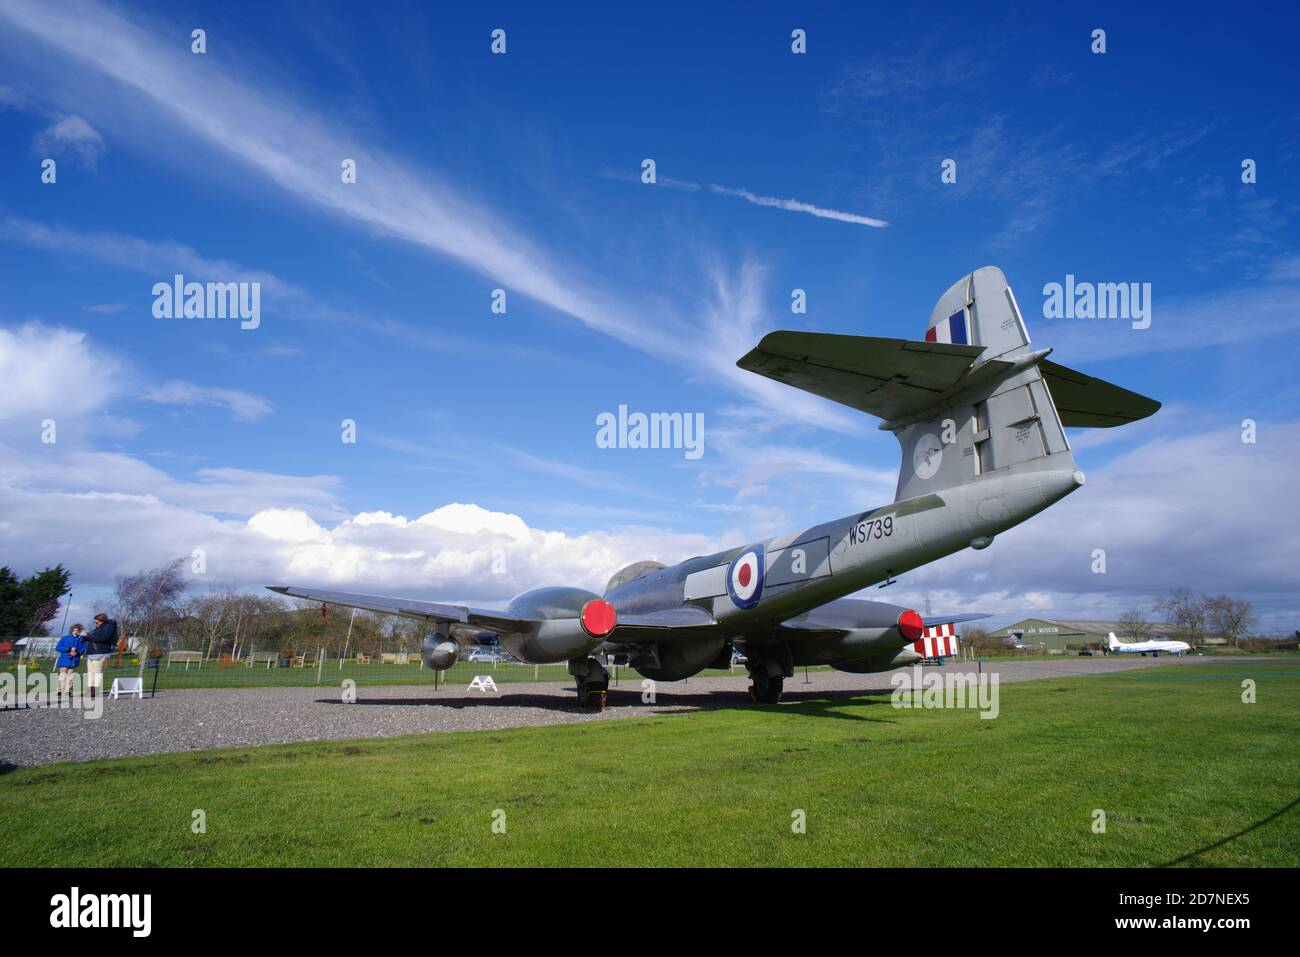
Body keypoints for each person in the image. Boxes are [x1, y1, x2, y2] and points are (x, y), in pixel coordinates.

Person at [83, 613, 119, 700]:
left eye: (97, 622)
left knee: (96, 672)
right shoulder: (99, 628)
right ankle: (90, 689)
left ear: (102, 621)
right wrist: (86, 637)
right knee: (90, 672)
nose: (96, 624)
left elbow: (103, 638)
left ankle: (95, 690)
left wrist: (88, 636)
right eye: (95, 622)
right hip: (92, 652)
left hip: (100, 652)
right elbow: (94, 637)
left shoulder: (108, 627)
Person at [54, 624, 86, 701]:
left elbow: (83, 649)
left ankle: (68, 691)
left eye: (77, 631)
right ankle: (59, 690)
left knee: (70, 676)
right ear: (71, 630)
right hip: (64, 659)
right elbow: (58, 648)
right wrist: (68, 649)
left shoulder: (82, 640)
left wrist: (77, 653)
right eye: (74, 630)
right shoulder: (65, 638)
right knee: (62, 675)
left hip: (74, 660)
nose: (75, 632)